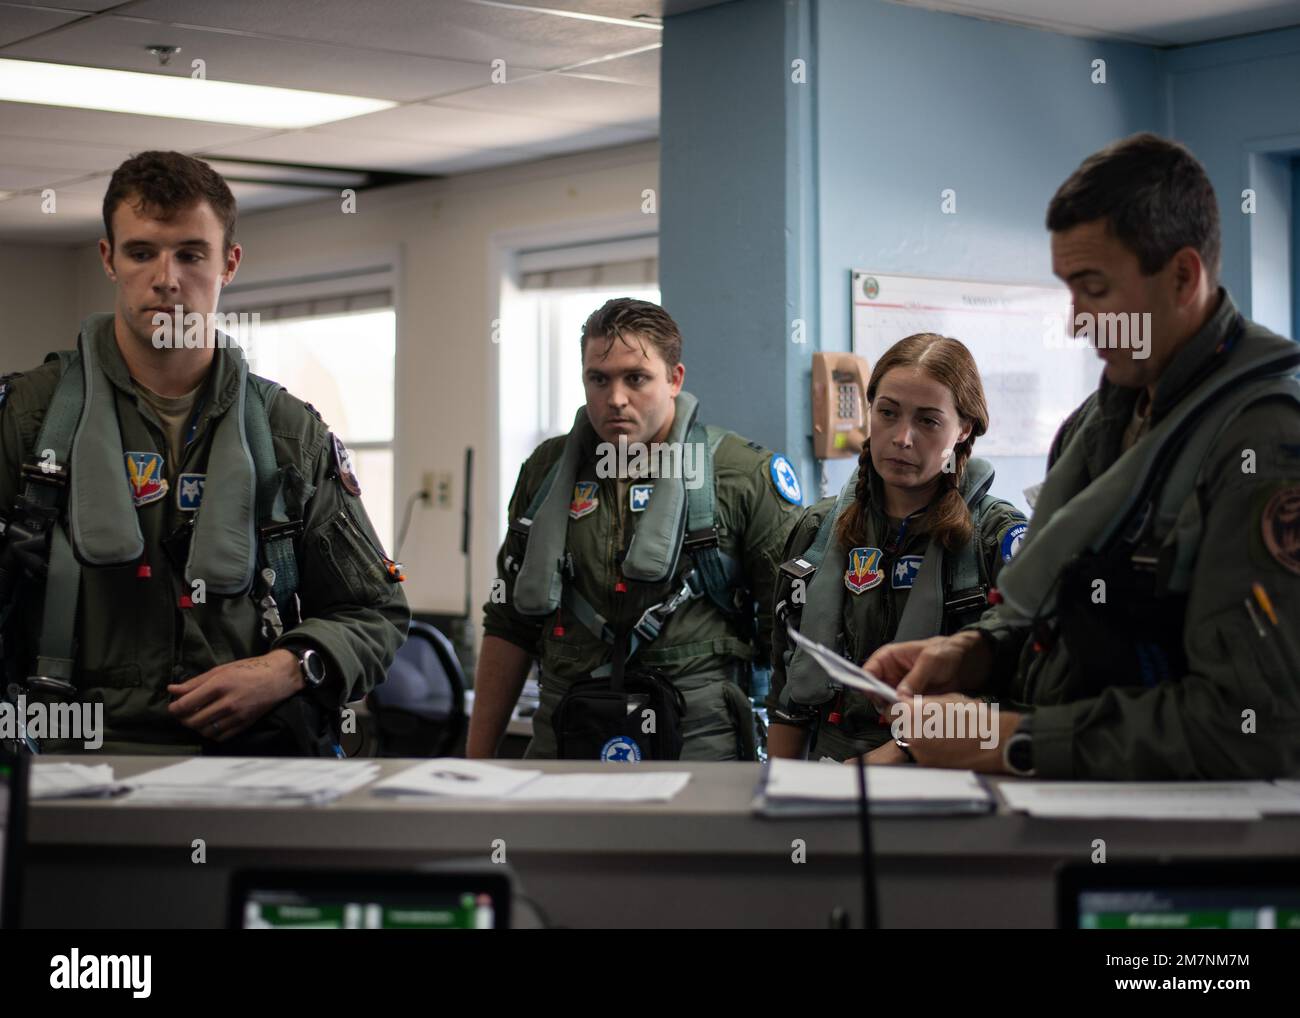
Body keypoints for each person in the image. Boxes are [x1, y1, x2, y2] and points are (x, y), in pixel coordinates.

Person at [863, 133, 1300, 780]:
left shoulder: (1262, 445)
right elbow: (1070, 618)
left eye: (1094, 290)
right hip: (1068, 823)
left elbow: (1254, 728)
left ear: (1182, 277)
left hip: (1185, 856)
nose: (1076, 321)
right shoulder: (1097, 429)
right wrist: (980, 650)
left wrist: (1009, 739)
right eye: (1069, 290)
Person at [0, 151, 410, 755]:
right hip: (65, 764)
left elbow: (376, 612)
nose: (167, 277)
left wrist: (289, 668)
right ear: (109, 259)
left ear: (230, 263)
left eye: (191, 254)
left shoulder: (287, 433)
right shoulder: (27, 421)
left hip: (243, 766)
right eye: (143, 252)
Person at [468, 298, 802, 761]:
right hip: (566, 739)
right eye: (599, 379)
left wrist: (789, 776)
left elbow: (791, 636)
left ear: (675, 379)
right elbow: (509, 622)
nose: (616, 398)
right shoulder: (546, 472)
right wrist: (477, 763)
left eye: (636, 378)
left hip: (699, 746)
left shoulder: (742, 474)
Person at [768, 333, 1026, 761]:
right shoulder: (818, 529)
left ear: (963, 429)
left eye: (928, 421)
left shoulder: (995, 538)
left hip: (949, 771)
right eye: (888, 413)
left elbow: (1023, 693)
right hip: (829, 771)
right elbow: (786, 681)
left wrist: (895, 755)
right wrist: (780, 790)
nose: (902, 437)